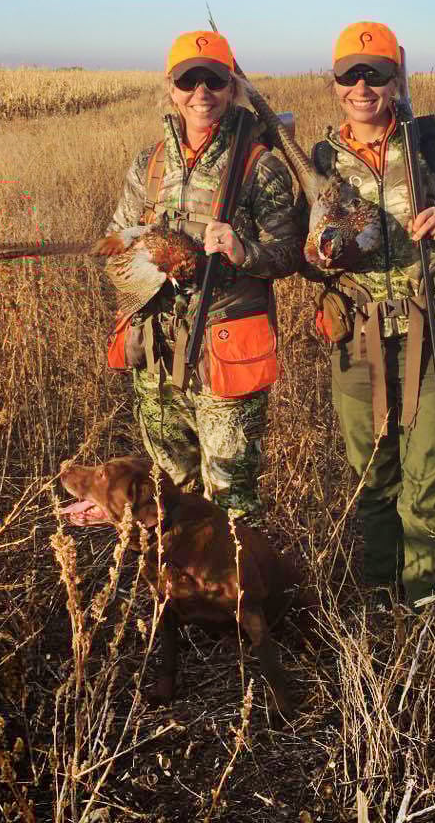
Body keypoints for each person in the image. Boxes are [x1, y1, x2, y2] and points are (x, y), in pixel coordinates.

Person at [310, 21, 435, 608]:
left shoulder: (434, 141)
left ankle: (422, 608)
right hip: (357, 339)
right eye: (349, 74)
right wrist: (321, 252)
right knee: (372, 482)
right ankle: (379, 604)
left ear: (395, 79)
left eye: (374, 73)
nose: (362, 86)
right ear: (334, 83)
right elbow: (293, 248)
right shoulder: (320, 161)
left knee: (425, 486)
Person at [106, 30, 303, 523]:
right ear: (170, 87)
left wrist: (242, 250)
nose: (201, 93)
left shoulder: (262, 166)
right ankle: (177, 594)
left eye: (213, 80)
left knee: (230, 499)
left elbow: (290, 254)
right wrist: (146, 265)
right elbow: (112, 246)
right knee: (167, 491)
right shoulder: (147, 164)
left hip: (224, 351)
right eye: (188, 80)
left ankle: (238, 598)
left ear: (231, 87)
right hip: (156, 353)